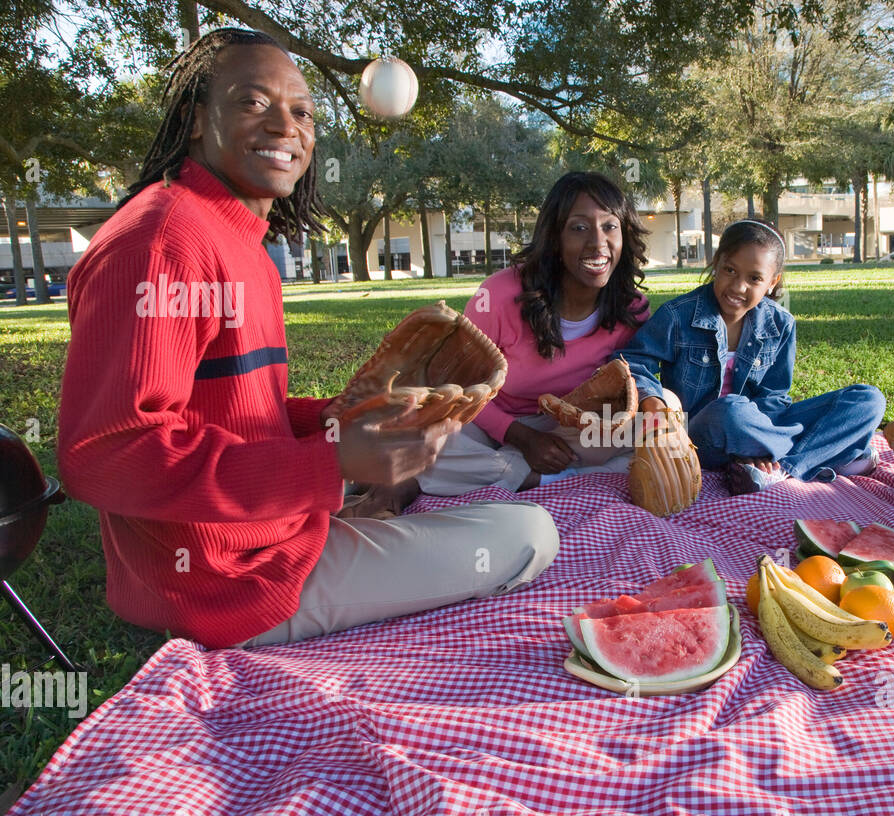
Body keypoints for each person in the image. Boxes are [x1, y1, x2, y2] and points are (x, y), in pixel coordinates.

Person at [57, 29, 558, 650]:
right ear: (193, 119)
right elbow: (106, 454)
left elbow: (234, 416)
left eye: (302, 111)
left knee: (497, 505)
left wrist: (336, 422)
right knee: (529, 535)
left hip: (279, 539)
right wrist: (332, 460)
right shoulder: (162, 240)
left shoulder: (236, 239)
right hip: (227, 587)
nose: (284, 127)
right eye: (252, 102)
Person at [411, 171, 652, 497]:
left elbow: (635, 385)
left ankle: (504, 472)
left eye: (610, 226)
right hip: (487, 421)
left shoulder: (632, 308)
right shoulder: (497, 295)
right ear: (554, 238)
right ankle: (536, 478)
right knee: (426, 440)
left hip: (571, 430)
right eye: (579, 228)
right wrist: (522, 439)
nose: (598, 243)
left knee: (653, 426)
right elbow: (459, 385)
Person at [613, 219, 885, 494]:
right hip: (701, 435)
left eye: (754, 278)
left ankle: (785, 469)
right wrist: (654, 401)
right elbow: (632, 362)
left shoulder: (781, 324)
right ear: (716, 263)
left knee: (869, 400)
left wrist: (756, 442)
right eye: (730, 270)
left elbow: (774, 397)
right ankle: (835, 452)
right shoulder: (678, 315)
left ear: (772, 282)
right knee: (731, 410)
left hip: (758, 429)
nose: (738, 287)